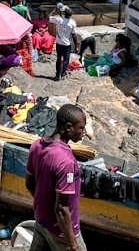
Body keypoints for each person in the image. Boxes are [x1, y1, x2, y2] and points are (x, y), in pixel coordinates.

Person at [26, 104, 88, 251]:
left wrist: (42, 206)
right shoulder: (66, 162)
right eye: (81, 128)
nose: (84, 132)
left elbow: (29, 184)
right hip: (61, 232)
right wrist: (72, 244)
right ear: (68, 127)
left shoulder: (37, 146)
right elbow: (61, 209)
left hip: (41, 221)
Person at [50, 8, 78, 81]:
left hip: (59, 43)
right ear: (71, 15)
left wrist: (54, 10)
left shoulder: (59, 20)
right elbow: (74, 35)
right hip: (66, 44)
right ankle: (63, 74)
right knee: (66, 60)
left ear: (64, 14)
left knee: (59, 58)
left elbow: (49, 17)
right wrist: (76, 46)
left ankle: (57, 75)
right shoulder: (72, 23)